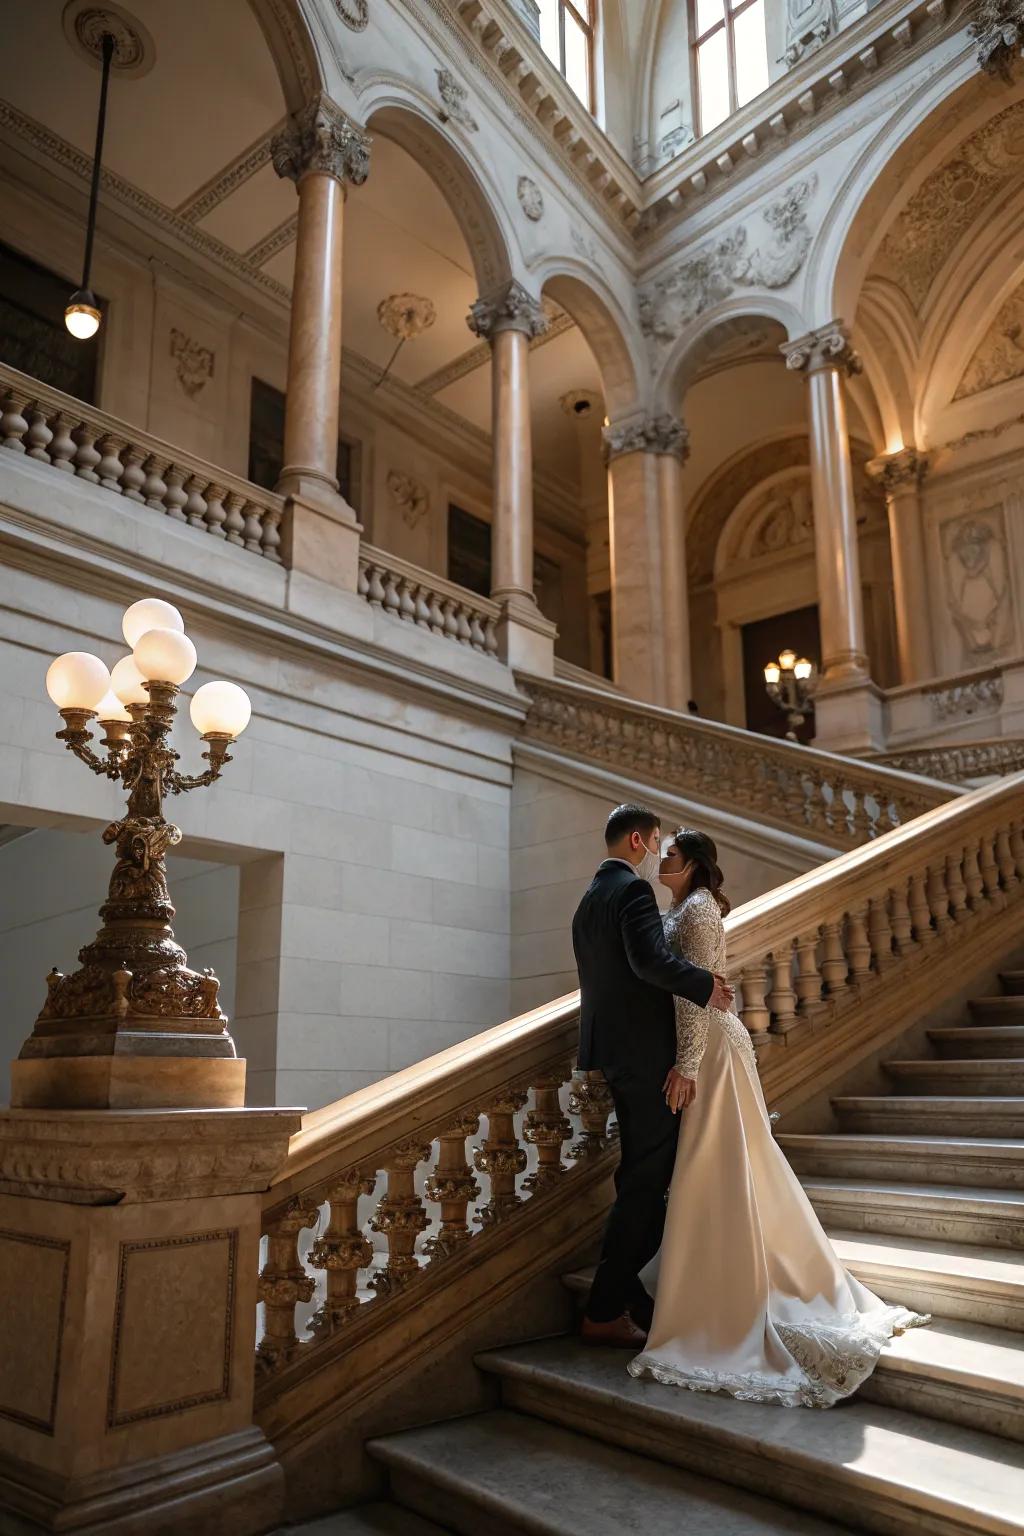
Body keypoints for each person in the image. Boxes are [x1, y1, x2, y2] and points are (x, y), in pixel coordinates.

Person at [628, 828, 928, 1407]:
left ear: (690, 864)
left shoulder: (697, 911)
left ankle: (737, 1295)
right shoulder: (682, 906)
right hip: (707, 1045)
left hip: (711, 1051)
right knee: (720, 1167)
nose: (660, 861)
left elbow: (700, 995)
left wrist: (687, 1064)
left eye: (668, 855)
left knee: (721, 1165)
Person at [572, 804, 734, 1347]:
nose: (660, 852)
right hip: (646, 1060)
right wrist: (704, 985)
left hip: (613, 1054)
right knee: (646, 1184)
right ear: (639, 841)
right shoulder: (634, 893)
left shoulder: (589, 898)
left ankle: (633, 1300)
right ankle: (604, 1309)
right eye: (657, 842)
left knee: (642, 1182)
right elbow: (646, 964)